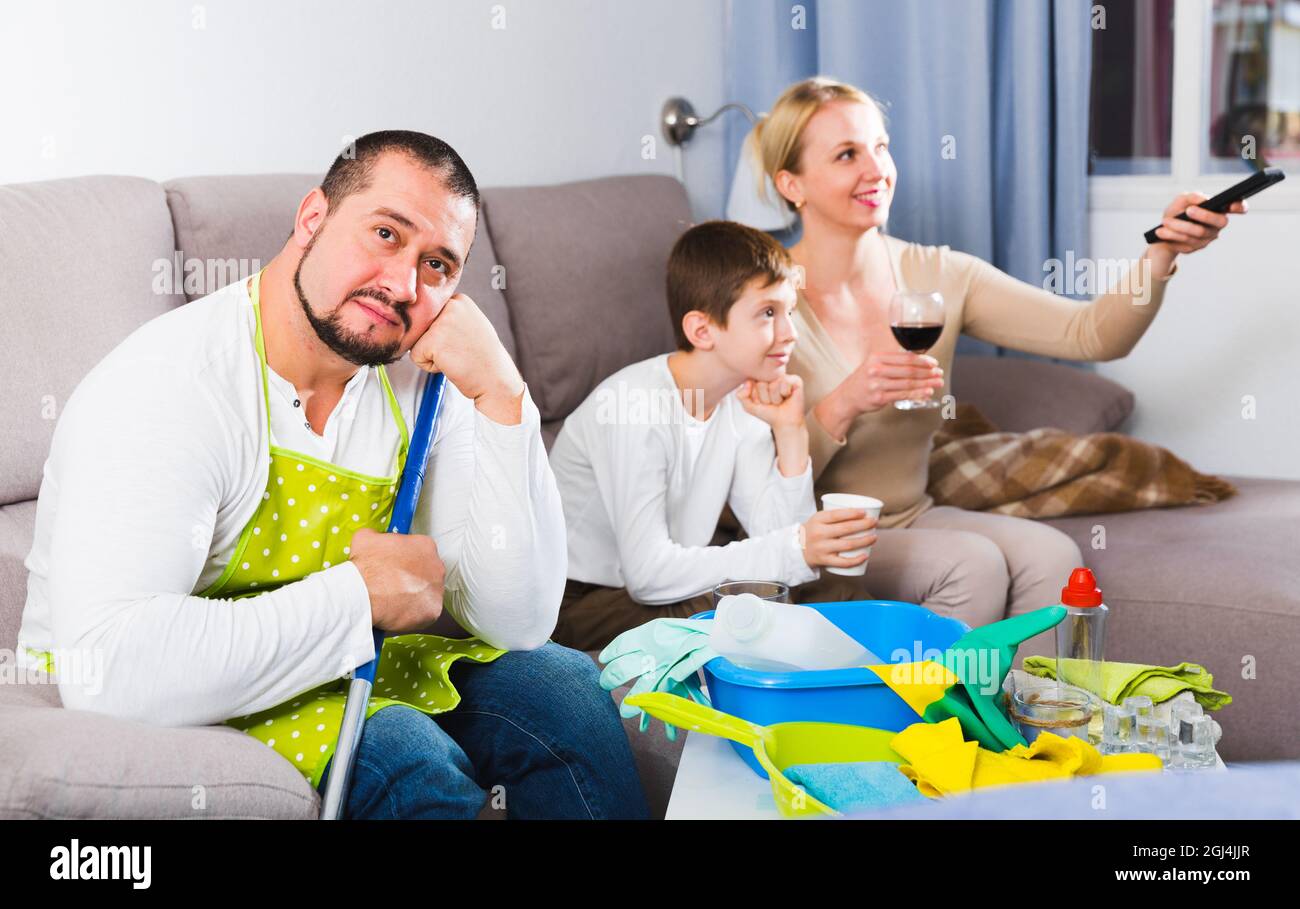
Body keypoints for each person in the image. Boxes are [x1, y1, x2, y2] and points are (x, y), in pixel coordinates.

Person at [16, 130, 648, 819]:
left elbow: (517, 619)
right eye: (385, 233)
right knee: (407, 754)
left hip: (342, 660)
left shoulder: (424, 378)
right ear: (312, 218)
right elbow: (112, 669)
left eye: (437, 264)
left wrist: (504, 397)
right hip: (176, 675)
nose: (404, 285)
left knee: (565, 689)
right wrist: (358, 598)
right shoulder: (170, 384)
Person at [745, 77, 1247, 656]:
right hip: (815, 537)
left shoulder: (942, 274)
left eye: (881, 147)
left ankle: (1030, 735)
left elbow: (1091, 334)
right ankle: (939, 734)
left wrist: (1161, 253)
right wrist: (846, 402)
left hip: (910, 516)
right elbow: (749, 468)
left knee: (1053, 556)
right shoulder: (762, 296)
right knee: (975, 563)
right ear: (792, 184)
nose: (875, 169)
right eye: (846, 155)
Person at [550, 220, 873, 652]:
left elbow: (778, 536)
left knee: (816, 595)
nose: (790, 333)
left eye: (789, 311)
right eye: (767, 313)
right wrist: (795, 549)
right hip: (579, 601)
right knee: (760, 604)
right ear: (702, 331)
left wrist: (790, 431)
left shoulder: (740, 399)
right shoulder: (636, 408)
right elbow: (648, 576)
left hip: (652, 585)